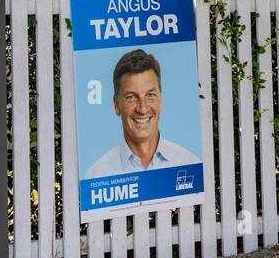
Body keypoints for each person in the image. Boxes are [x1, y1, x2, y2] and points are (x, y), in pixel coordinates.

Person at [85, 48, 200, 177]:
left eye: (150, 95)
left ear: (160, 99)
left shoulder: (189, 164)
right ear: (116, 104)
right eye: (131, 97)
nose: (142, 109)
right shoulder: (96, 175)